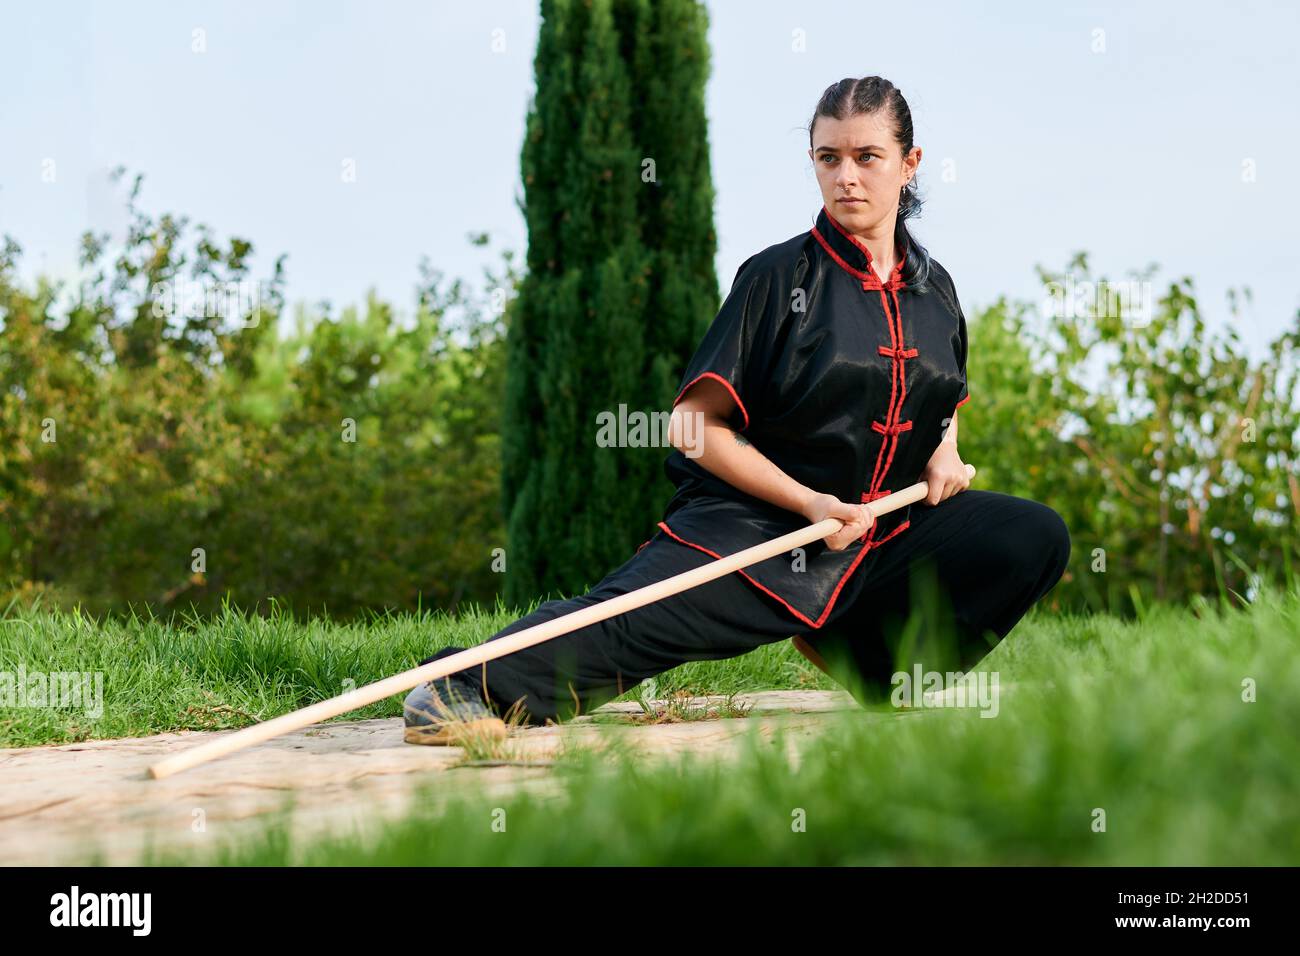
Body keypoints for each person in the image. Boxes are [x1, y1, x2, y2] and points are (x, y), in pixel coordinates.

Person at [404, 75, 1070, 745]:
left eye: (867, 157)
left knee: (1031, 536)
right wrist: (810, 502)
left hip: (881, 535)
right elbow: (694, 427)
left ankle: (873, 663)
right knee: (633, 617)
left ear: (909, 163)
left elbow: (942, 400)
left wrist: (944, 449)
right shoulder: (777, 277)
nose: (846, 177)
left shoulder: (937, 290)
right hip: (756, 526)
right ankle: (462, 685)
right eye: (828, 157)